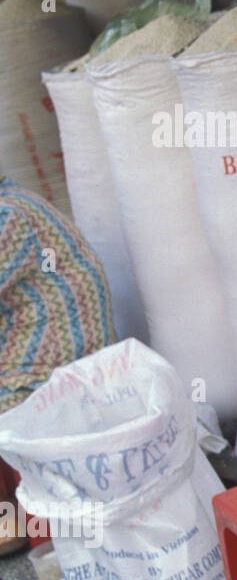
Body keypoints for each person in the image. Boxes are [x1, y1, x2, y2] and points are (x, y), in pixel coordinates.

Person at [0, 175, 114, 555]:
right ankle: (12, 518)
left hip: (61, 347)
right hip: (34, 335)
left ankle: (17, 523)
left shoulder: (9, 215)